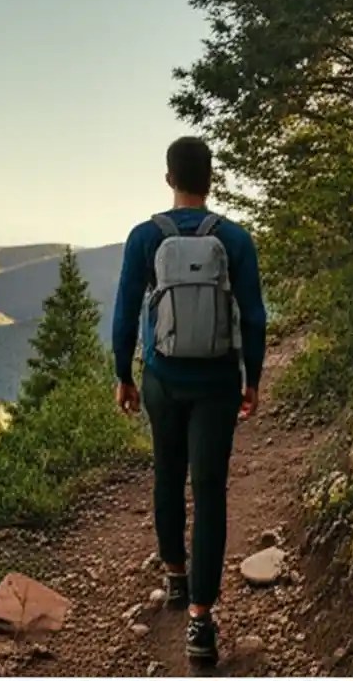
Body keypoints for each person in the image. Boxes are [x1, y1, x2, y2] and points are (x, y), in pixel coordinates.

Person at [111, 136, 267, 665]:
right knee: (210, 490)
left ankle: (176, 579)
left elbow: (126, 313)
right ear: (211, 178)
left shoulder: (144, 238)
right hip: (218, 382)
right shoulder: (236, 239)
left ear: (169, 179)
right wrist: (253, 379)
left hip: (162, 378)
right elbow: (254, 316)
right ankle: (201, 623)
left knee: (167, 474)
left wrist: (123, 375)